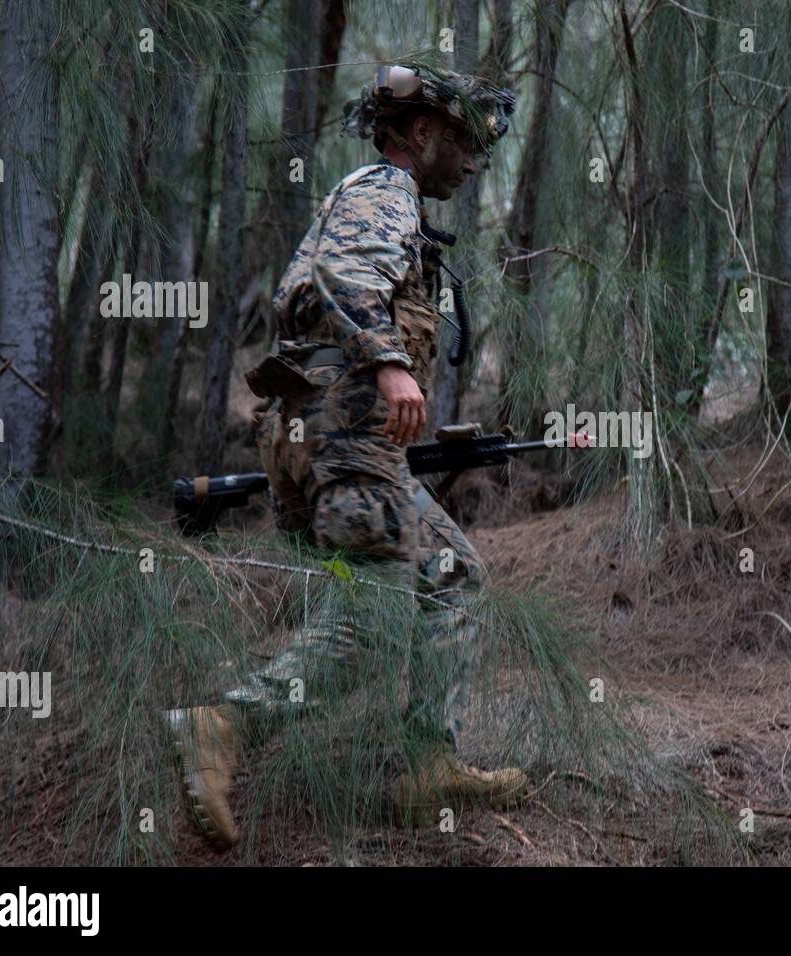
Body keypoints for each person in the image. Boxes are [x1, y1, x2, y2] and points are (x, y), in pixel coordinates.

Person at [165, 64, 524, 849]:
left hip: (335, 439)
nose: (472, 163)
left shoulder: (381, 198)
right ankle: (225, 723)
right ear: (423, 133)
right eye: (464, 144)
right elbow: (347, 274)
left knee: (453, 574)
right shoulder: (383, 190)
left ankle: (429, 761)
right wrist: (390, 361)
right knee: (374, 620)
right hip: (346, 434)